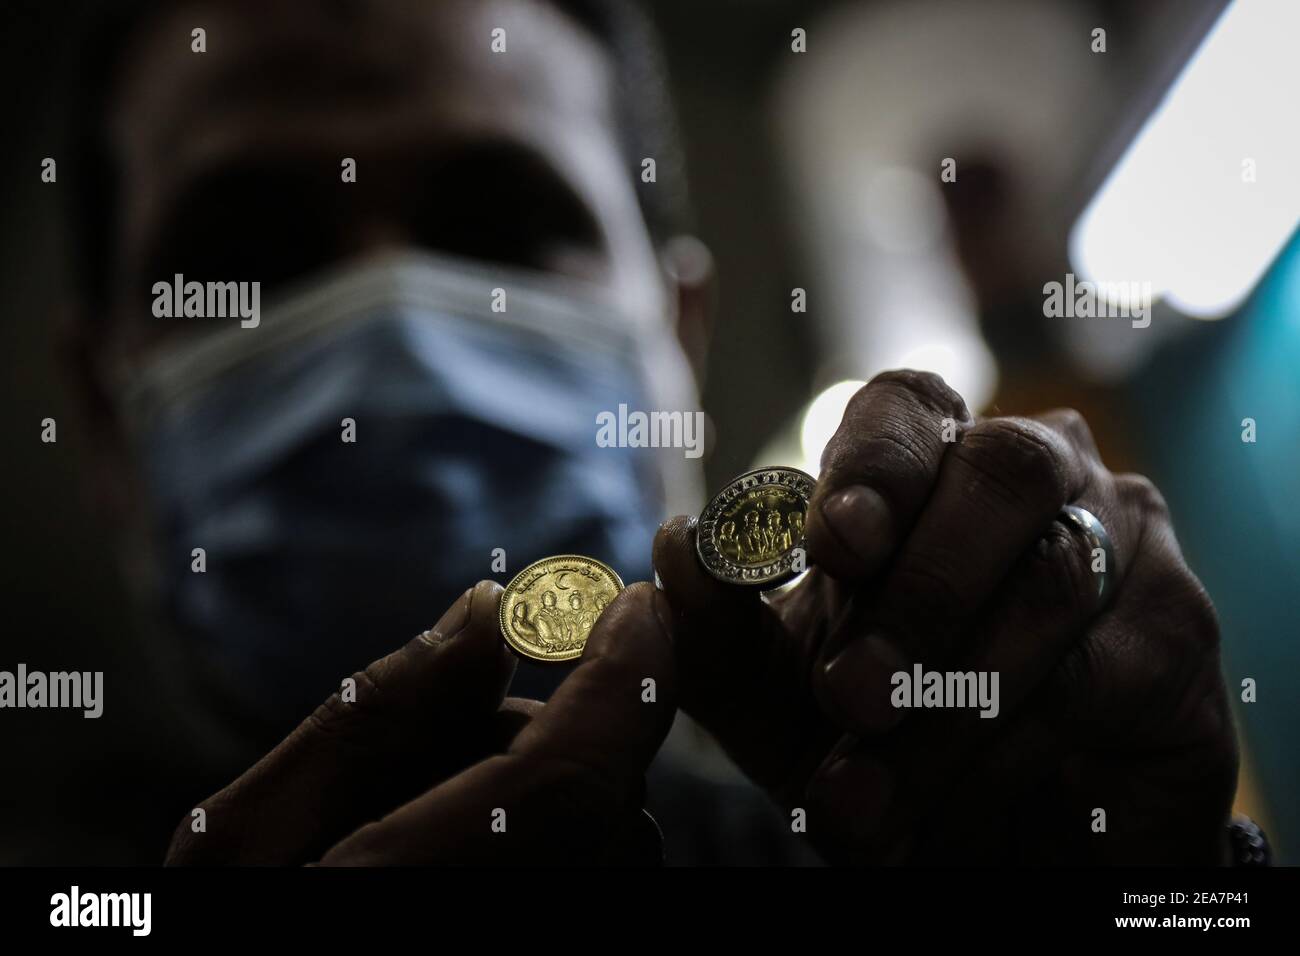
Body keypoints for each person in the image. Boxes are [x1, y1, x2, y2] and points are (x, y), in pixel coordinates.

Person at [60, 0, 1236, 866]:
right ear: (109, 425)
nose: (398, 328)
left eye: (504, 224)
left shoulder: (883, 841)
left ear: (677, 340)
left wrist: (1159, 878)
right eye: (252, 255)